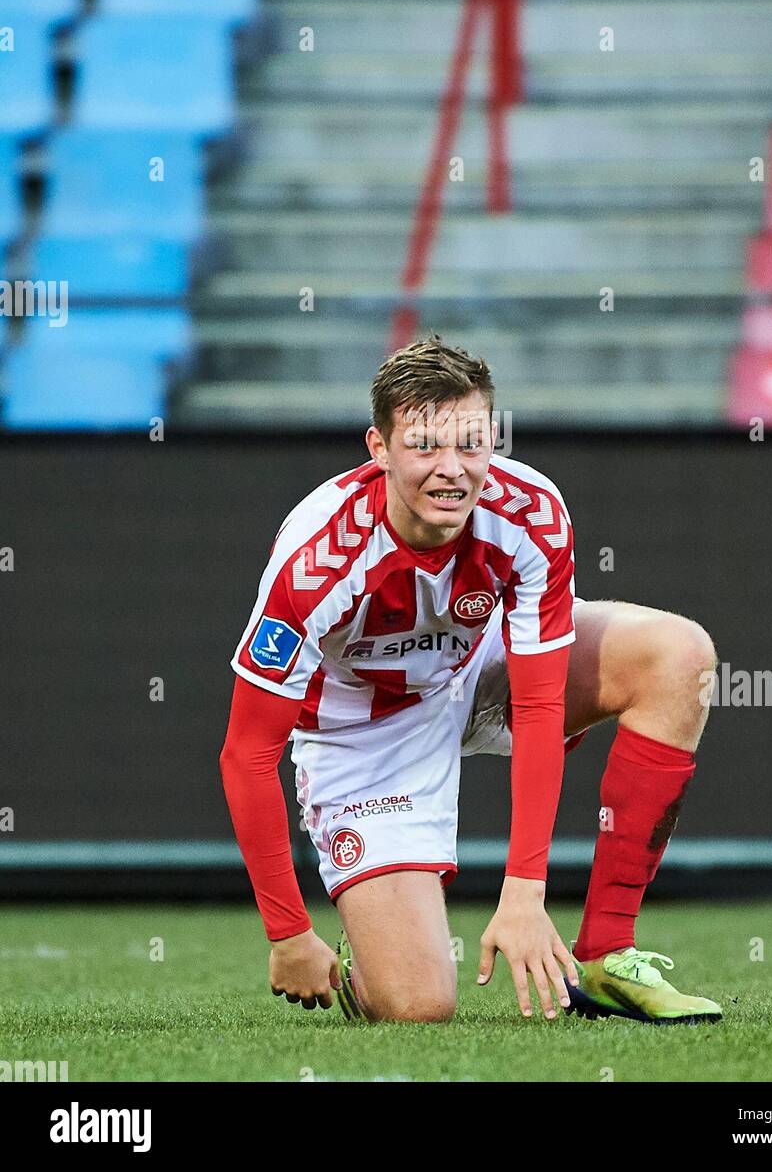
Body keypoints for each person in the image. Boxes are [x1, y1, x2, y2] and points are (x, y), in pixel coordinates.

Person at [220, 333, 721, 1024]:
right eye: (424, 445)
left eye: (470, 443)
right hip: (362, 738)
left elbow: (541, 704)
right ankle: (368, 945)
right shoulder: (317, 559)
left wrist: (523, 892)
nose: (450, 469)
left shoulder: (529, 511)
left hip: (481, 671)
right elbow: (246, 755)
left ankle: (607, 953)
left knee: (677, 655)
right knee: (419, 1007)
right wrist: (285, 933)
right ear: (379, 449)